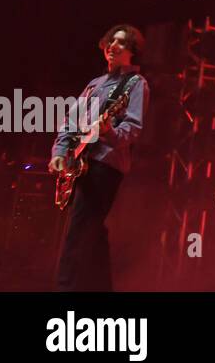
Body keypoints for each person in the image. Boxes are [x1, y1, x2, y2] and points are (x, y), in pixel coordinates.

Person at [50, 23, 149, 291]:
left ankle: (64, 289)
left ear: (132, 52)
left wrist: (109, 133)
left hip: (106, 165)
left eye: (121, 43)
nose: (113, 47)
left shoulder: (136, 84)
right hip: (81, 162)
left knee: (78, 233)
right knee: (93, 233)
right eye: (110, 42)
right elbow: (72, 121)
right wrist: (61, 152)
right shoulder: (95, 84)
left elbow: (133, 127)